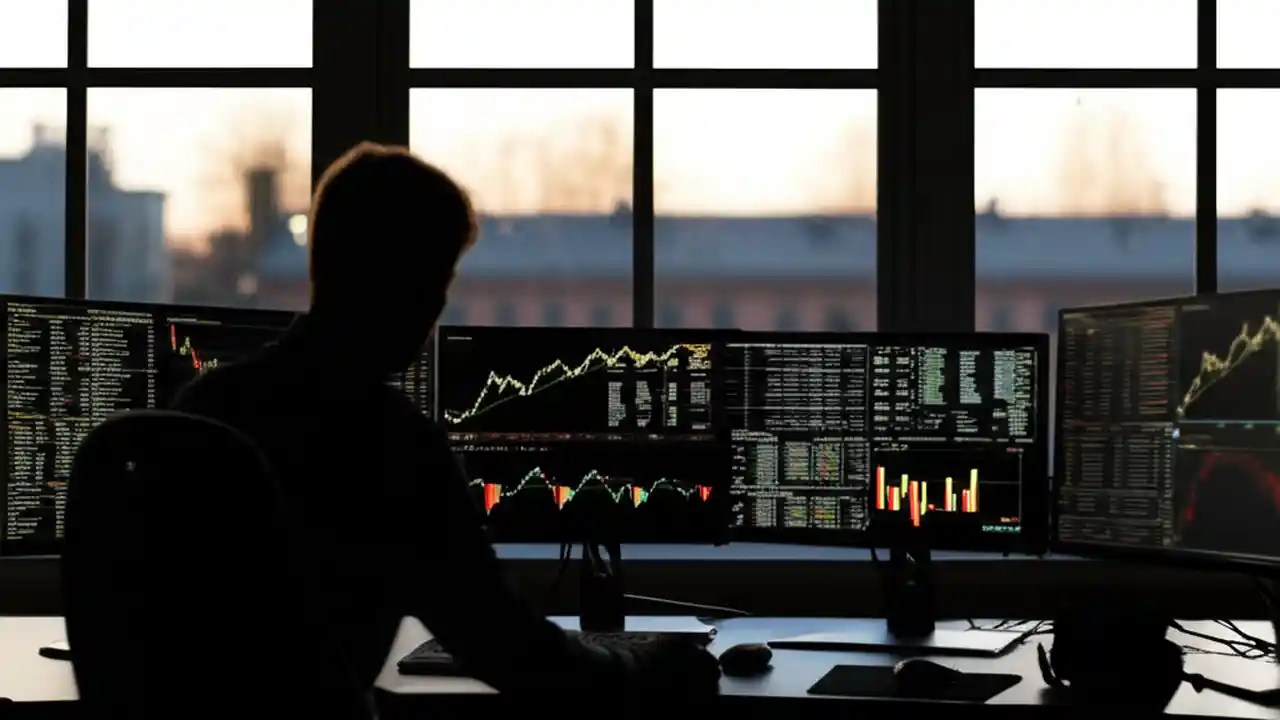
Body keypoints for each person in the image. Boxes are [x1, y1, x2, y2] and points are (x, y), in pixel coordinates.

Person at [172, 143, 720, 711]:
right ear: (414, 289)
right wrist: (644, 666)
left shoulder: (203, 407)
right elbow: (509, 650)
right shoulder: (391, 445)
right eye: (438, 280)